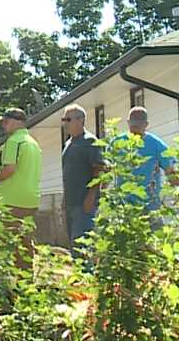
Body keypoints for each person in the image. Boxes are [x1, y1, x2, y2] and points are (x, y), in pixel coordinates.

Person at [0, 108, 42, 269]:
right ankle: (25, 284)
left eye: (6, 121)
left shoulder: (13, 141)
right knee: (25, 244)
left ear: (18, 122)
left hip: (12, 200)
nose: (3, 125)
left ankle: (4, 287)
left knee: (4, 244)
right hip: (31, 199)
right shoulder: (33, 142)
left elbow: (9, 169)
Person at [110, 106, 178, 212]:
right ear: (128, 123)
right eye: (133, 125)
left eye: (138, 125)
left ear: (146, 125)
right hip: (124, 206)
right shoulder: (117, 143)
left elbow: (171, 174)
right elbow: (106, 170)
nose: (135, 130)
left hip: (150, 205)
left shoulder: (157, 145)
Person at [60, 104, 102, 251]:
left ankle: (86, 273)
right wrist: (65, 199)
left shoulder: (89, 141)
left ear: (81, 120)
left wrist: (91, 196)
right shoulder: (68, 143)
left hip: (84, 204)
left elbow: (99, 170)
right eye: (63, 119)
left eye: (68, 119)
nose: (64, 123)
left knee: (82, 247)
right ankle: (78, 273)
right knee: (74, 246)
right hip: (71, 203)